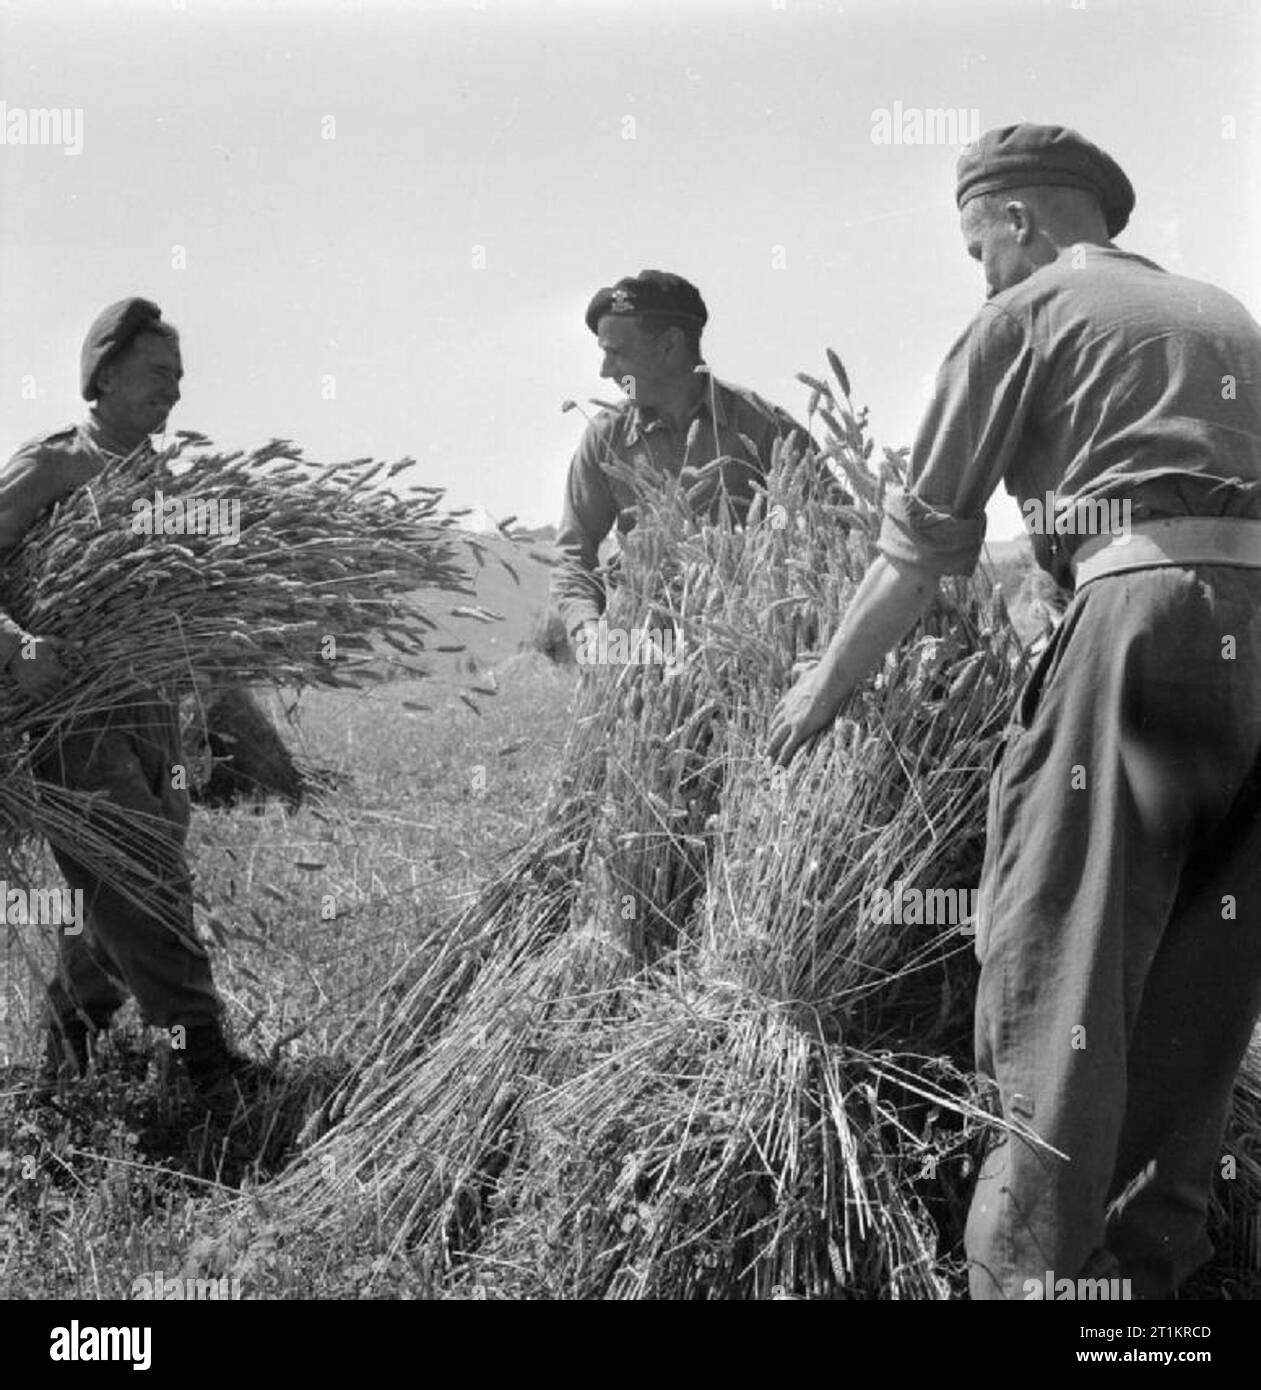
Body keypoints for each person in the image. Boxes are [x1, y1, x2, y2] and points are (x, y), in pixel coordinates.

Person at [767, 123, 1261, 1299]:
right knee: (1207, 967)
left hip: (1140, 619)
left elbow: (920, 547)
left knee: (1064, 958)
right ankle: (1144, 1298)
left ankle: (1030, 1282)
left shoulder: (1024, 313)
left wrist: (824, 687)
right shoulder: (1222, 313)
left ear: (1019, 220)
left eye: (974, 241)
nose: (977, 267)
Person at [0, 296, 251, 1100]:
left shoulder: (160, 481)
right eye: (156, 374)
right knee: (140, 876)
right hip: (72, 715)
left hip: (151, 713)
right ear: (103, 376)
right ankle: (203, 1058)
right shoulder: (55, 464)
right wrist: (15, 645)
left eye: (179, 378)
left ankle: (66, 1048)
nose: (173, 392)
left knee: (115, 882)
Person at [552, 269, 803, 648]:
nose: (605, 371)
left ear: (669, 346)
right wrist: (589, 632)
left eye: (616, 353)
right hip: (636, 652)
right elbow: (574, 556)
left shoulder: (766, 429)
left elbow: (833, 530)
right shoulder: (606, 438)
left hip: (746, 651)